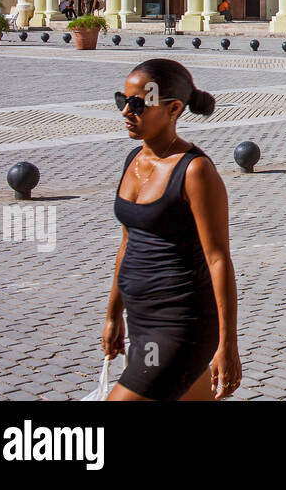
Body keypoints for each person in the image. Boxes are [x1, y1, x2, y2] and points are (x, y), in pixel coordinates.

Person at [102, 58, 241, 401]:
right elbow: (127, 243)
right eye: (123, 101)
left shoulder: (194, 172)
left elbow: (218, 259)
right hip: (141, 320)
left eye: (138, 104)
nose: (126, 112)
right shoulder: (133, 160)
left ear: (174, 108)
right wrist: (113, 315)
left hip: (181, 325)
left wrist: (228, 345)